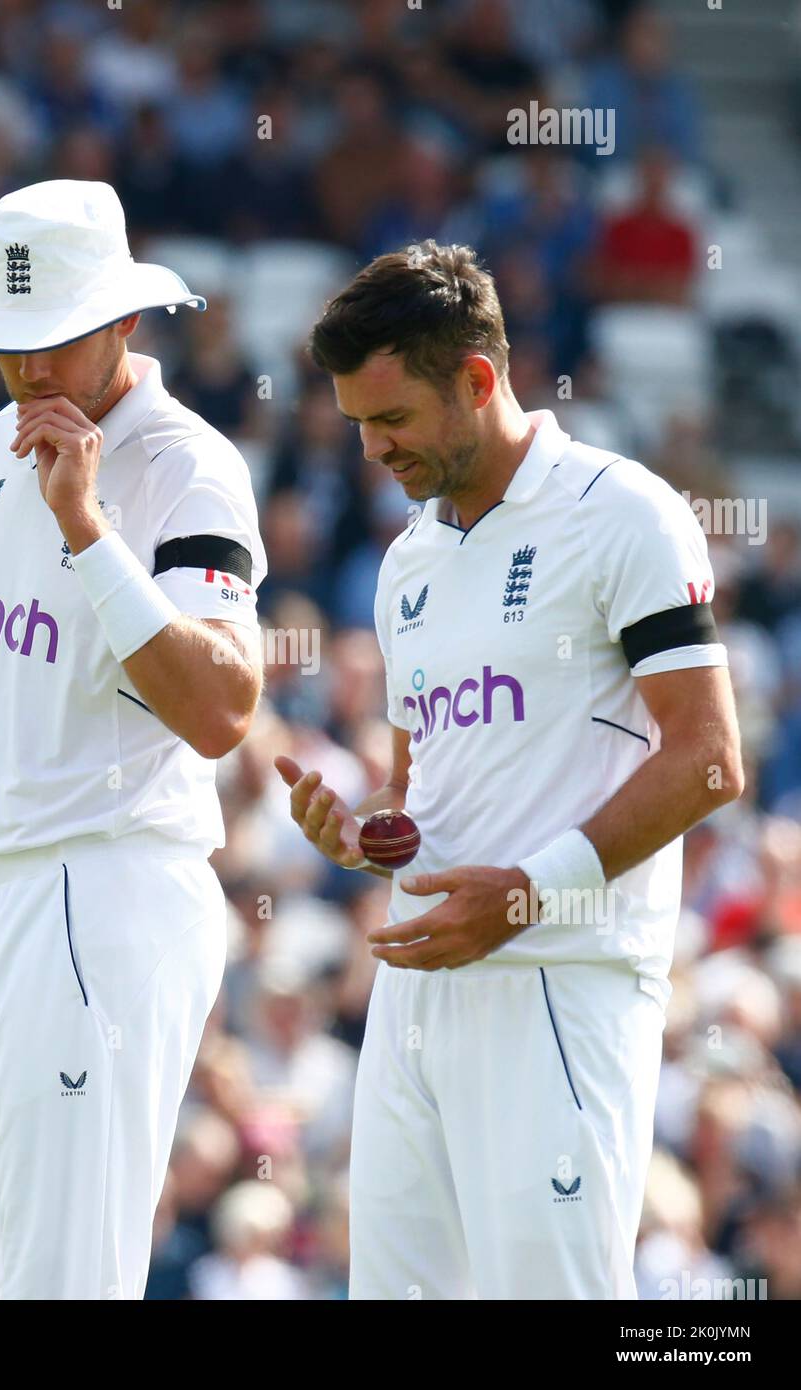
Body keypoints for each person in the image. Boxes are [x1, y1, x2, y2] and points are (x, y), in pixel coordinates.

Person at [276, 240, 743, 1299]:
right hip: (416, 992)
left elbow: (710, 762)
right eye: (356, 423)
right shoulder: (407, 560)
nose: (371, 449)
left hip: (560, 981)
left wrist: (531, 893)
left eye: (390, 420)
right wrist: (365, 833)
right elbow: (420, 786)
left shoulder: (622, 510)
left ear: (477, 380)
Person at [0, 180, 267, 1300]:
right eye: (8, 345)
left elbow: (223, 709)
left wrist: (88, 528)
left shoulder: (189, 466)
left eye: (52, 341)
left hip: (113, 891)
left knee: (65, 1285)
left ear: (125, 322)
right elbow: (3, 702)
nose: (28, 372)